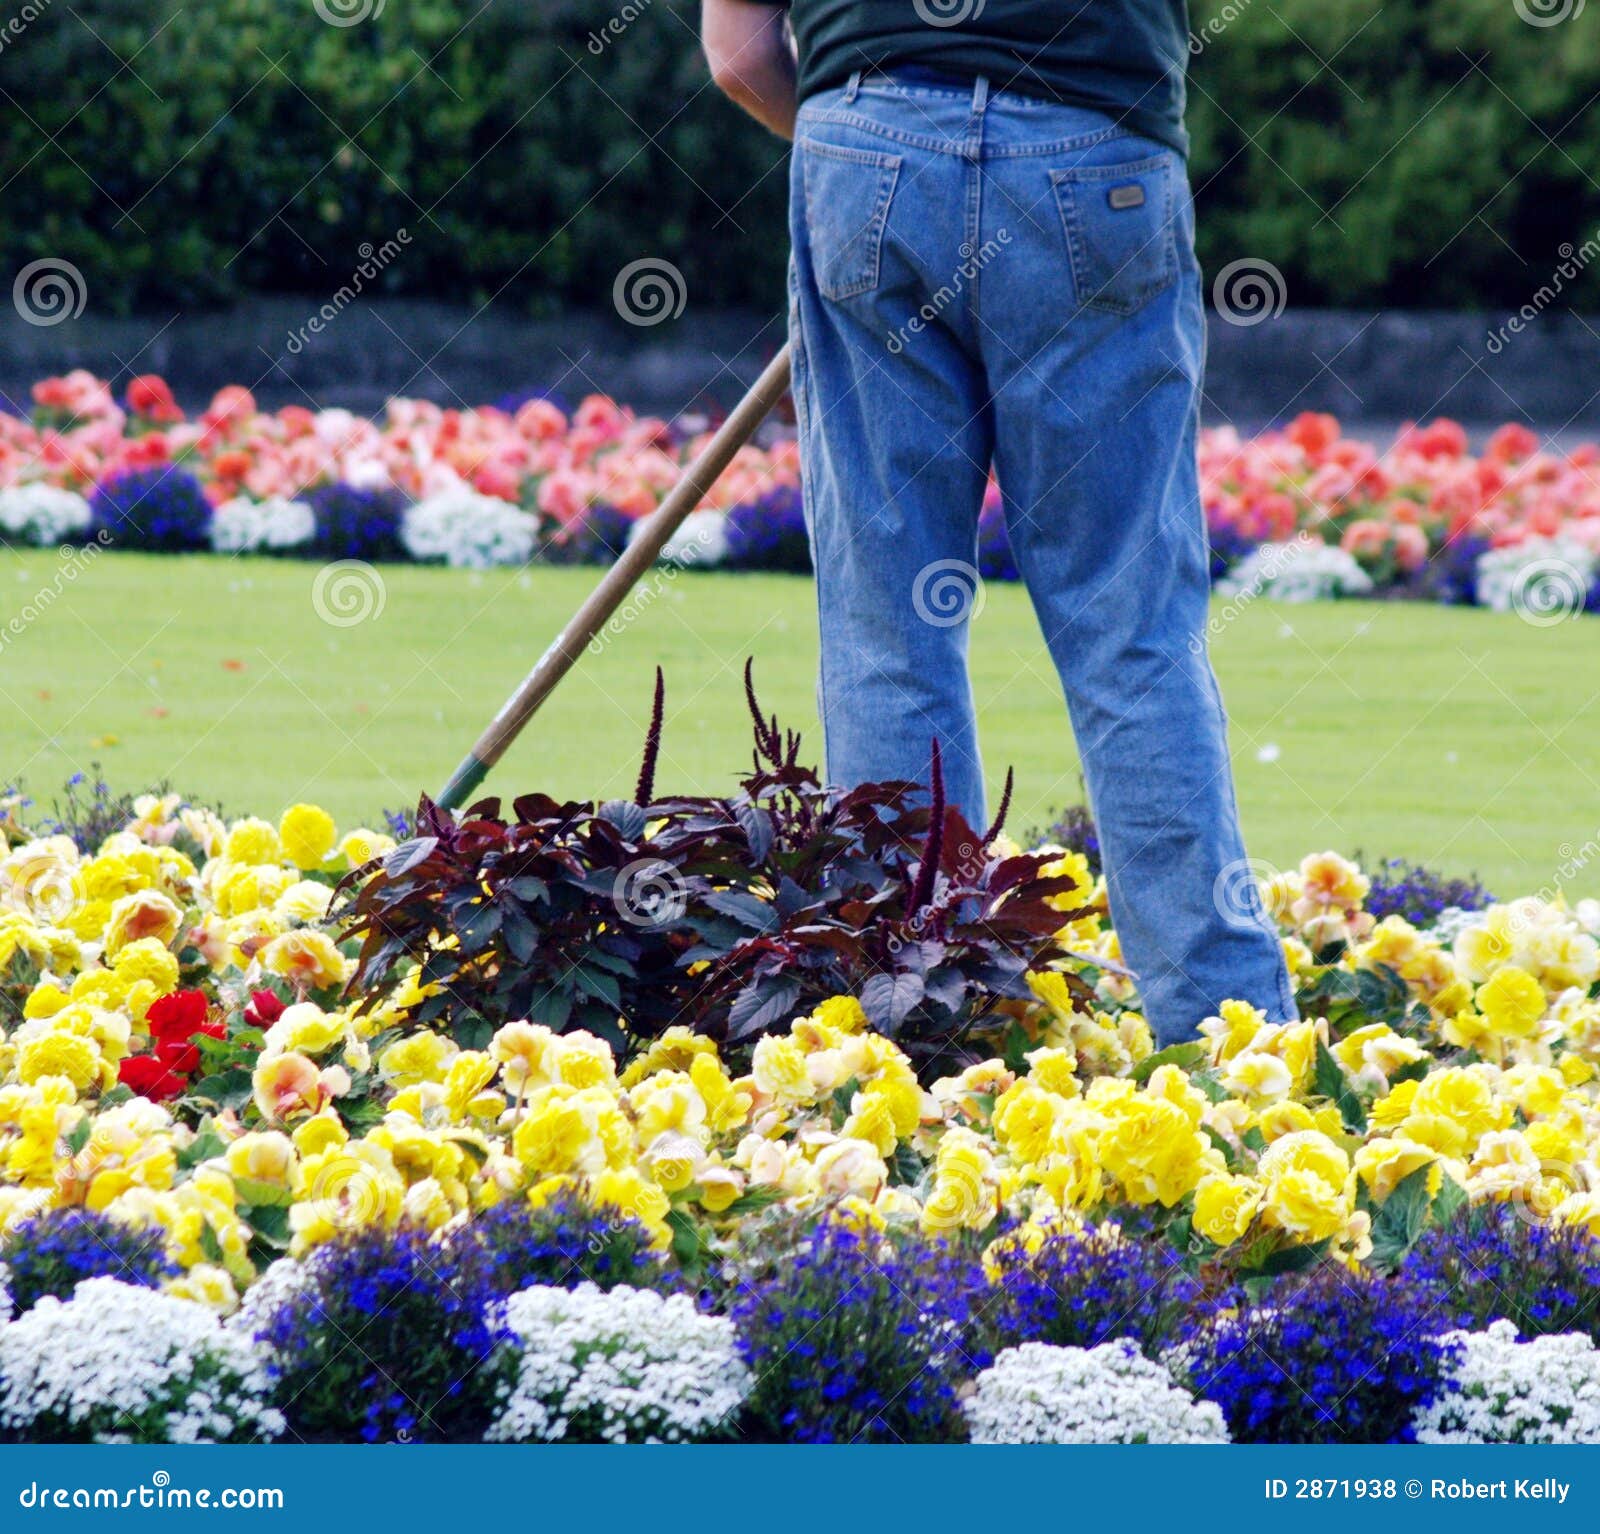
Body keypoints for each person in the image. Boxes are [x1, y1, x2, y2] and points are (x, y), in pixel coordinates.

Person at [701, 0, 1295, 1044]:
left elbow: (742, 56)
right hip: (1092, 149)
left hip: (862, 148)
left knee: (890, 631)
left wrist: (890, 161)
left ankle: (916, 1032)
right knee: (1132, 631)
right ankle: (1224, 1039)